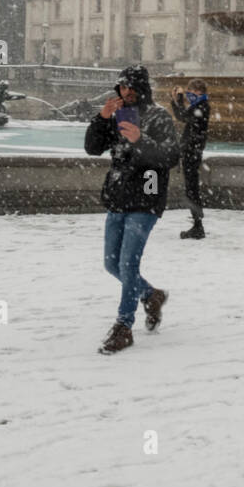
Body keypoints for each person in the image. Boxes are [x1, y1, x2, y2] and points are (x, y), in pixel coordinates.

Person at [84, 65, 182, 355]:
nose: (125, 93)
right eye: (121, 88)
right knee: (111, 265)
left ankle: (124, 327)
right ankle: (151, 295)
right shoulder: (117, 115)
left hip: (147, 196)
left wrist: (140, 139)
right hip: (118, 195)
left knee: (128, 265)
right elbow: (92, 148)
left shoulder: (159, 116)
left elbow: (170, 156)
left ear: (142, 88)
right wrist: (101, 119)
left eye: (130, 88)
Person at [170, 78, 211, 239]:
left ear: (200, 92)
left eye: (192, 91)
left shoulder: (201, 106)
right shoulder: (199, 106)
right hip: (191, 151)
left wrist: (178, 100)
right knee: (191, 188)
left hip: (192, 151)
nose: (190, 94)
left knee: (191, 189)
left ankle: (198, 226)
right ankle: (197, 224)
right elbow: (183, 116)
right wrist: (176, 101)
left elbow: (182, 116)